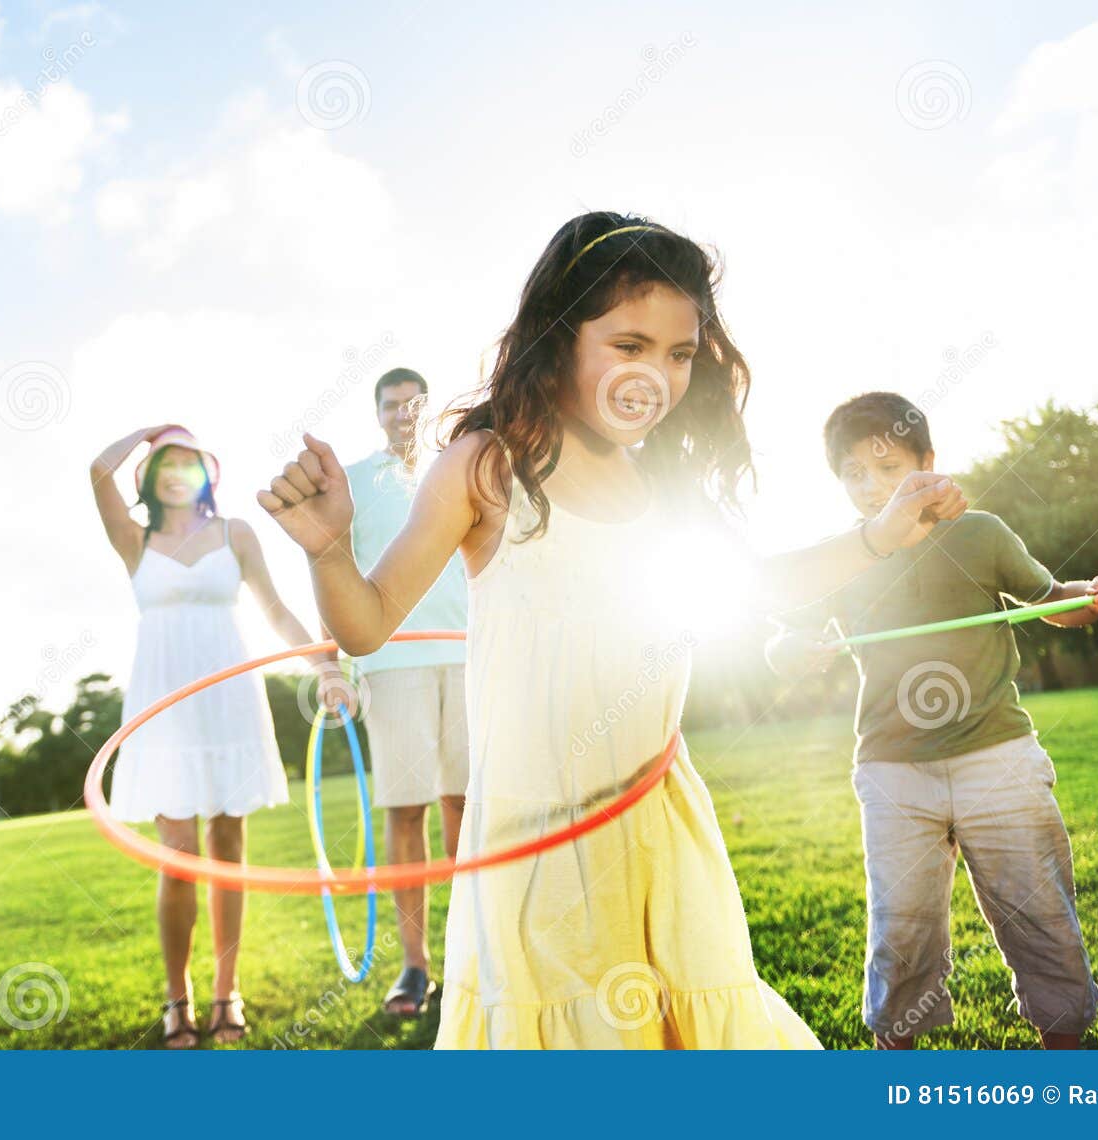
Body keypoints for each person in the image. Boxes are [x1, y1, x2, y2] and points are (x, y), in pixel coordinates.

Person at [257, 212, 968, 1048]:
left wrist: (876, 536)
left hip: (657, 811)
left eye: (678, 354)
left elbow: (758, 587)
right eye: (629, 346)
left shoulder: (659, 484)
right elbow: (369, 624)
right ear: (561, 339)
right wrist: (330, 550)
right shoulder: (488, 467)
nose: (656, 376)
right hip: (536, 831)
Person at [764, 391, 1098, 1049]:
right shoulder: (845, 558)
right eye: (853, 474)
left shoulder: (981, 533)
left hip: (997, 755)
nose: (871, 487)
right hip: (891, 766)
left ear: (928, 462)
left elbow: (1050, 602)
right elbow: (781, 644)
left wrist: (1094, 595)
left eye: (887, 466)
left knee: (1038, 910)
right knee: (901, 926)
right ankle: (893, 1052)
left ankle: (1066, 1041)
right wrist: (795, 654)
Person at [91, 424, 345, 1047]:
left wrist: (326, 667)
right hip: (163, 704)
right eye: (165, 463)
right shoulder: (136, 539)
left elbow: (277, 611)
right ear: (150, 476)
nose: (178, 471)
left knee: (228, 846)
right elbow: (99, 472)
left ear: (209, 471)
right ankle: (177, 998)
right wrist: (150, 434)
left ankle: (225, 992)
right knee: (177, 858)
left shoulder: (237, 533)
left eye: (190, 460)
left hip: (227, 699)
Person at [320, 367, 469, 1018]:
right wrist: (332, 665)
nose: (405, 415)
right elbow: (332, 568)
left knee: (469, 806)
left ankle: (474, 953)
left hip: (469, 655)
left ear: (428, 409)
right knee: (406, 811)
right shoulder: (353, 481)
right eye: (392, 406)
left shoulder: (455, 469)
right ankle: (416, 968)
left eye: (415, 405)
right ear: (378, 413)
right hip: (391, 664)